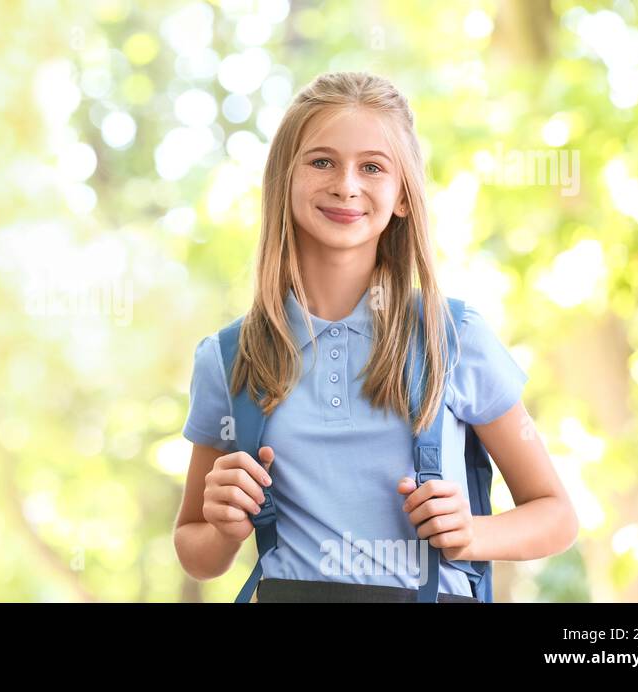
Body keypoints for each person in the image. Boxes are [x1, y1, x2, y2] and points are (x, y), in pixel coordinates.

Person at [173, 71, 579, 602]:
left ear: (404, 196)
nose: (346, 185)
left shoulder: (452, 337)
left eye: (372, 167)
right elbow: (194, 547)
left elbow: (556, 514)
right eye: (321, 161)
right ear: (283, 180)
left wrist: (474, 533)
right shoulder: (231, 358)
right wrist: (225, 529)